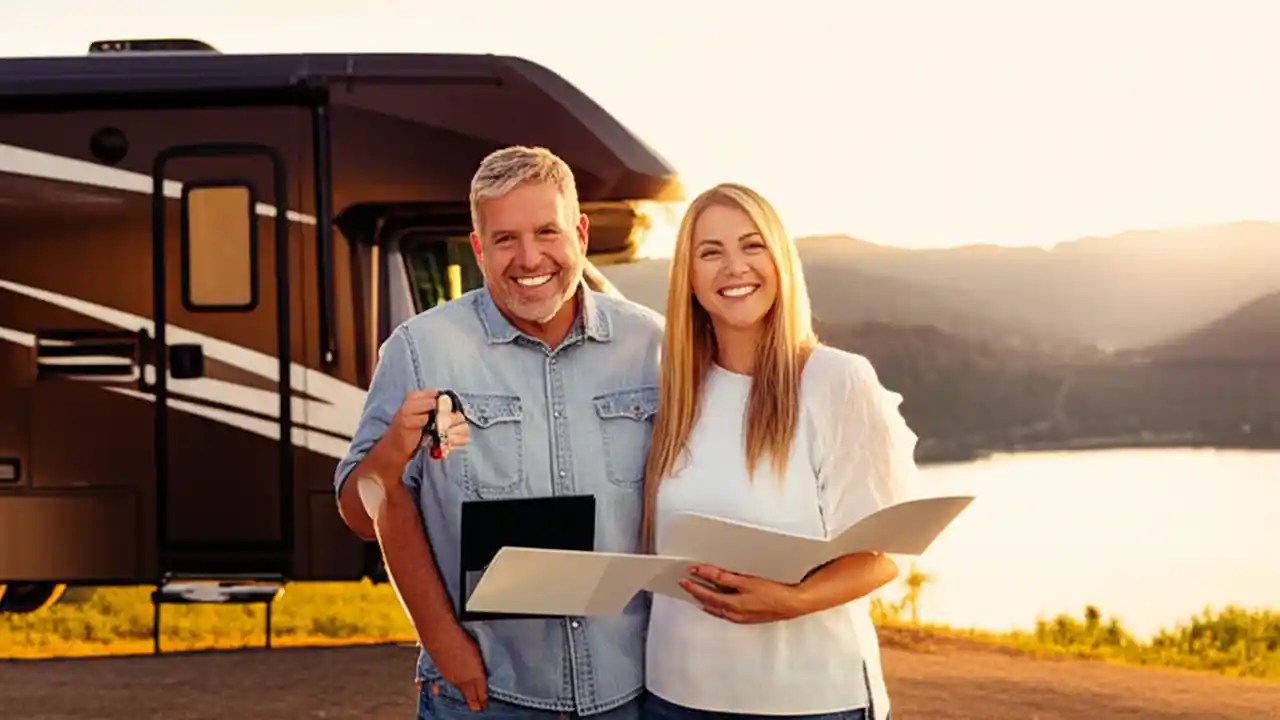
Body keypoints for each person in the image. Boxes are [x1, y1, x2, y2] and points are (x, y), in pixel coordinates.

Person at [332, 145, 664, 720]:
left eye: (546, 231)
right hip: (485, 693)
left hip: (633, 692)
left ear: (580, 234)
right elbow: (365, 515)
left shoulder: (654, 347)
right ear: (479, 249)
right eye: (505, 239)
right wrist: (443, 645)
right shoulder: (420, 349)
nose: (529, 256)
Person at [639, 183, 919, 720]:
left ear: (780, 259)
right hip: (675, 696)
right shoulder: (670, 390)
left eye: (752, 245)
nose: (734, 267)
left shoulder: (838, 381)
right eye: (710, 252)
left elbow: (883, 559)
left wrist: (789, 602)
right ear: (689, 278)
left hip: (810, 700)